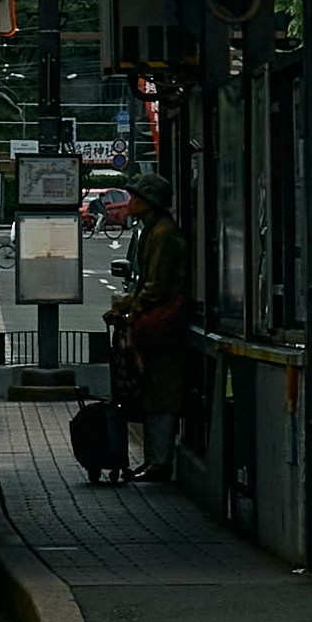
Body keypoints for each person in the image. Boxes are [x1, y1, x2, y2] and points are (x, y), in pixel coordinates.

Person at [115, 170, 190, 482]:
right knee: (154, 392)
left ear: (149, 202)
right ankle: (155, 459)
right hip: (160, 324)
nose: (130, 202)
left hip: (163, 327)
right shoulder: (153, 231)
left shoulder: (162, 233)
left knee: (161, 393)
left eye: (136, 197)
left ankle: (160, 461)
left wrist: (133, 308)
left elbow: (155, 285)